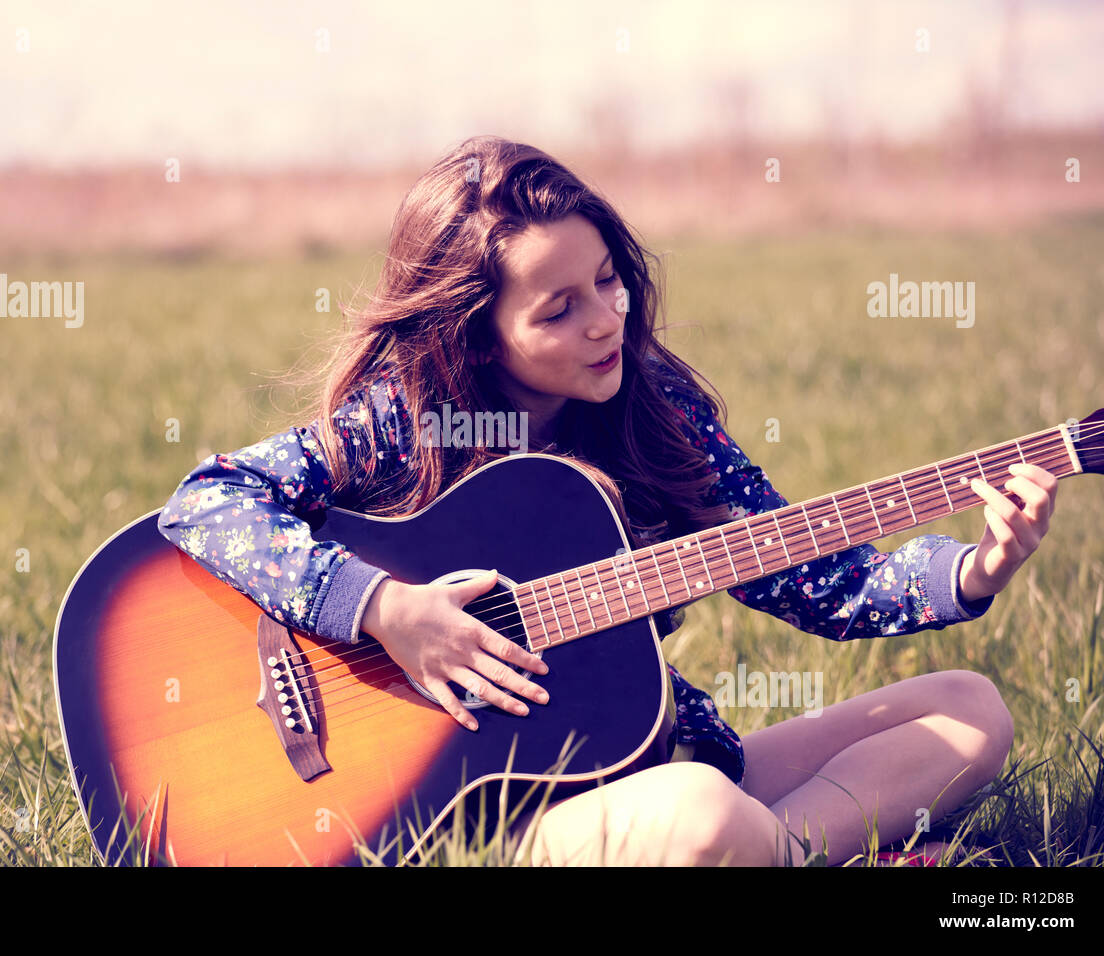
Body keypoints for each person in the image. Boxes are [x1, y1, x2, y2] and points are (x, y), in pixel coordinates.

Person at [156, 135, 1058, 866]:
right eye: (557, 310)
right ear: (473, 334)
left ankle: (776, 855)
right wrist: (385, 610)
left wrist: (980, 566)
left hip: (649, 757)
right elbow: (209, 500)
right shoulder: (406, 419)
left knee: (970, 711)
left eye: (608, 283)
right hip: (485, 821)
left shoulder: (654, 413)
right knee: (703, 817)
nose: (604, 320)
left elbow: (816, 580)